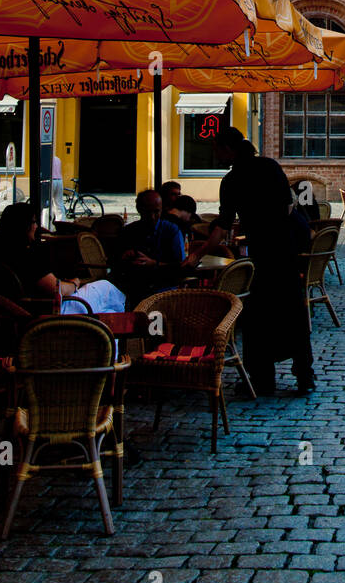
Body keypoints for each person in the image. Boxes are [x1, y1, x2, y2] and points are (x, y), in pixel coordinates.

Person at [185, 126, 314, 396]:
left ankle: (262, 379)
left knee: (258, 317)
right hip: (287, 249)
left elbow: (221, 225)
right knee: (293, 312)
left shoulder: (232, 181)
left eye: (217, 149)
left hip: (263, 252)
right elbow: (287, 205)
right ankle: (304, 374)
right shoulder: (269, 166)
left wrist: (198, 253)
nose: (215, 154)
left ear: (228, 150)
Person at [0, 203, 126, 315]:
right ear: (25, 226)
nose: (36, 226)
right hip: (50, 311)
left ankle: (110, 344)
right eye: (34, 222)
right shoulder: (24, 257)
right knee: (106, 288)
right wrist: (74, 283)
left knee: (108, 312)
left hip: (18, 311)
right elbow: (56, 289)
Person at [114, 188, 186, 305]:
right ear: (139, 210)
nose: (152, 217)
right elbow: (114, 264)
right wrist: (124, 257)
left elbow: (180, 266)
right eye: (148, 212)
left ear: (162, 209)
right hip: (134, 289)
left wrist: (153, 264)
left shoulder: (171, 231)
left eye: (156, 212)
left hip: (164, 289)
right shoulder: (128, 232)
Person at [50, 153, 65, 218]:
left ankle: (46, 224)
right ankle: (61, 222)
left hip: (51, 181)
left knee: (47, 205)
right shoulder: (58, 159)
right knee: (59, 204)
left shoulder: (46, 159)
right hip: (59, 180)